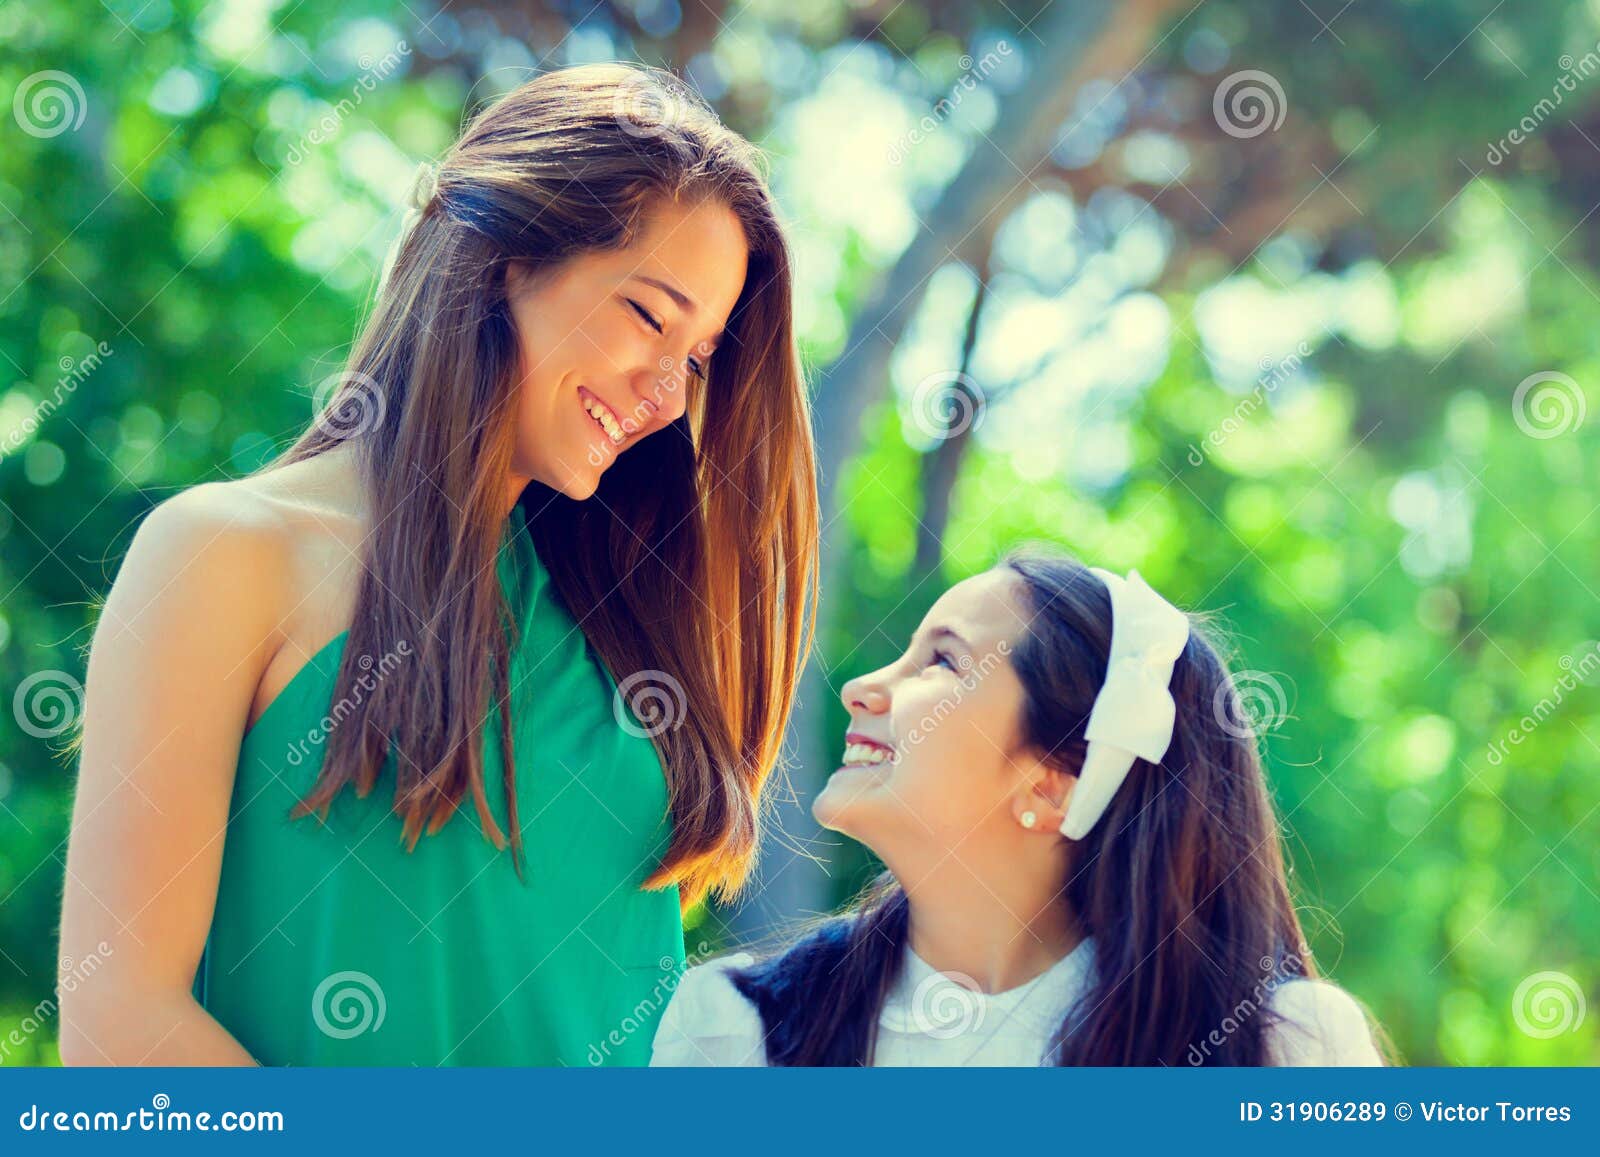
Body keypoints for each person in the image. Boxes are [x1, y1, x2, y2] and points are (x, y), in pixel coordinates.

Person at [58, 63, 817, 1066]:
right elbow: (119, 1013)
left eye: (698, 355)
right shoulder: (225, 553)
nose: (665, 394)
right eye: (647, 316)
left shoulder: (617, 621)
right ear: (509, 256)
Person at [651, 548, 1384, 1066]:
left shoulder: (1280, 1050)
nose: (864, 686)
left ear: (1052, 783)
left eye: (940, 660)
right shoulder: (735, 1031)